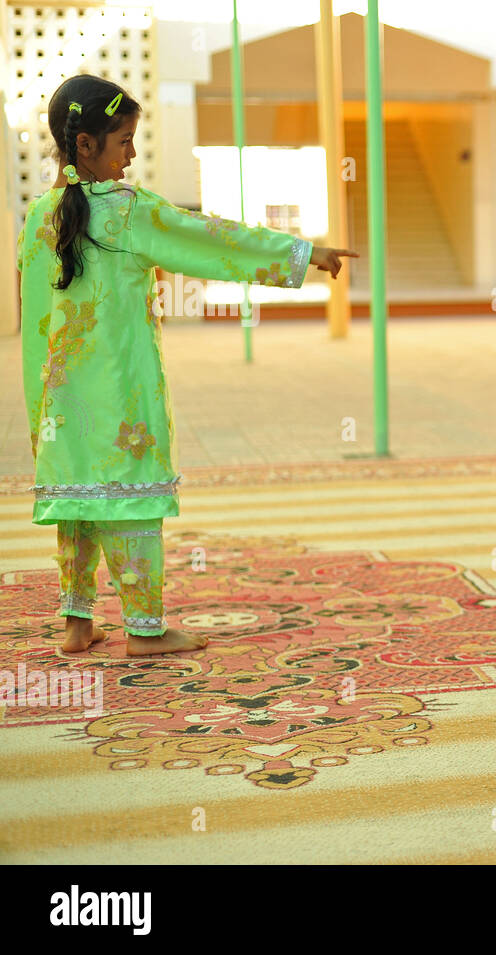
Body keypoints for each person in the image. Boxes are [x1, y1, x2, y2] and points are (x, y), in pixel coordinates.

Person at [18, 74, 356, 655]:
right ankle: (146, 630)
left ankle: (77, 622)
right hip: (121, 389)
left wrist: (39, 407)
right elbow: (211, 240)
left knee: (77, 493)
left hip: (59, 399)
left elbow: (34, 323)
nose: (129, 155)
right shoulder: (127, 213)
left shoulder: (41, 216)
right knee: (130, 492)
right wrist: (303, 253)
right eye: (123, 141)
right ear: (85, 146)